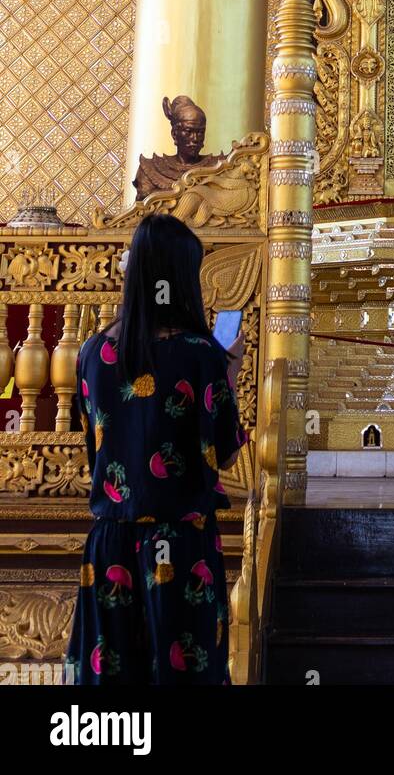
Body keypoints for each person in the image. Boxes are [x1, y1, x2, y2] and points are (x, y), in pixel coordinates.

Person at [66, 213, 247, 684]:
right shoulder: (201, 354)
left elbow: (97, 443)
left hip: (110, 541)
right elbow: (224, 453)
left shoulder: (92, 353)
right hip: (180, 547)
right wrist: (229, 369)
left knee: (112, 679)